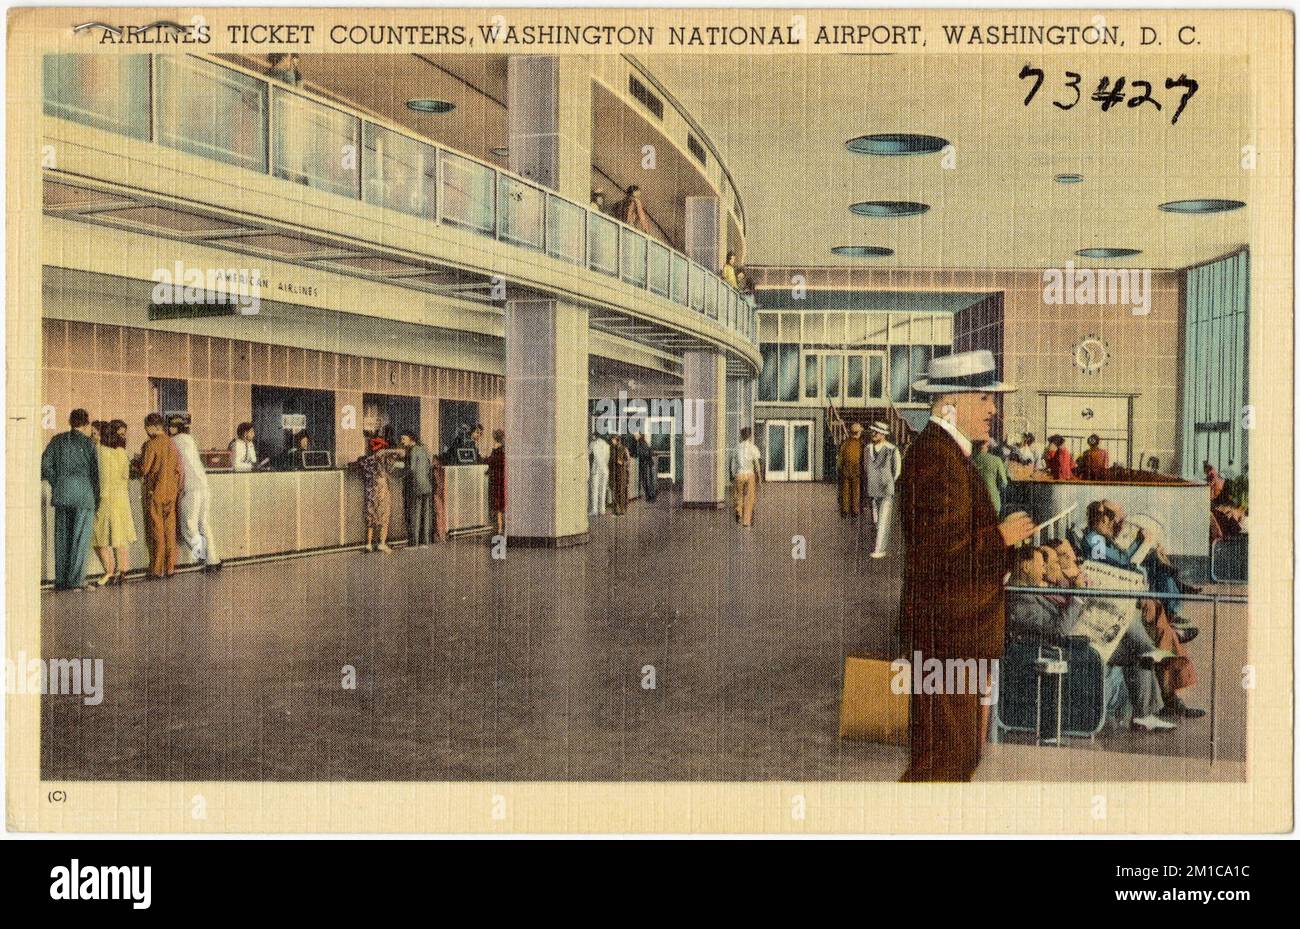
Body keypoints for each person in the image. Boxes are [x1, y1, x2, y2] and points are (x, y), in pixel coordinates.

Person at [897, 349, 1036, 782]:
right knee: (945, 761)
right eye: (984, 398)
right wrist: (1002, 538)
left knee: (952, 758)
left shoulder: (947, 457)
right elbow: (944, 562)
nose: (993, 409)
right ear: (950, 404)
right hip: (949, 638)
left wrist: (1002, 544)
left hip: (952, 637)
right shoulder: (939, 463)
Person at [1043, 539, 1175, 731]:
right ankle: (1156, 655)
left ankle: (1144, 715)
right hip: (1077, 642)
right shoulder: (1046, 590)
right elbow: (1062, 624)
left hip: (1090, 632)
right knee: (1135, 628)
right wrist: (1079, 592)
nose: (1070, 557)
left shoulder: (1063, 580)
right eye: (1061, 557)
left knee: (1138, 646)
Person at [42, 408, 100, 591]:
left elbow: (45, 466)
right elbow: (95, 475)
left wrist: (57, 481)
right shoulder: (89, 444)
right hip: (83, 494)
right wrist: (96, 499)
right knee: (80, 539)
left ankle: (61, 581)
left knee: (62, 538)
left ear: (70, 422)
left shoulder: (57, 440)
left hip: (62, 493)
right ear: (86, 424)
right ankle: (76, 581)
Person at [169, 416, 221, 571]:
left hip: (190, 488)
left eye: (171, 426)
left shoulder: (174, 441)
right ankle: (213, 559)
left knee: (189, 526)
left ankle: (204, 558)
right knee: (204, 523)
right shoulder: (190, 439)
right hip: (204, 486)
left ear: (175, 428)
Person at [138, 412, 184, 579]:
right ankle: (170, 567)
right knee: (170, 531)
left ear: (152, 427)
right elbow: (179, 470)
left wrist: (137, 463)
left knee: (157, 531)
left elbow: (144, 469)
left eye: (146, 427)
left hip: (156, 492)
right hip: (171, 492)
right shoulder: (172, 444)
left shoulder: (151, 444)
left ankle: (157, 570)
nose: (145, 430)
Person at [92, 419, 135, 587]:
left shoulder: (99, 451)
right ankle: (122, 571)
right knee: (120, 536)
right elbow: (126, 475)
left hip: (105, 498)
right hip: (121, 498)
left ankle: (109, 571)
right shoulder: (121, 452)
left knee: (99, 537)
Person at [863, 420, 903, 557]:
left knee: (883, 520)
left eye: (876, 432)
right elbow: (865, 467)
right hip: (872, 489)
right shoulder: (867, 448)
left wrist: (888, 481)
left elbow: (897, 470)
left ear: (883, 434)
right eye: (873, 431)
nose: (873, 433)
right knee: (875, 520)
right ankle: (878, 546)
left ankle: (879, 550)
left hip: (886, 489)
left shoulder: (892, 449)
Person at [358, 437, 400, 553]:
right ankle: (381, 543)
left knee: (371, 518)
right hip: (382, 491)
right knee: (384, 516)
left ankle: (368, 544)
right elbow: (401, 455)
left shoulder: (366, 461)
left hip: (370, 492)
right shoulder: (384, 461)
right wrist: (388, 452)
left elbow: (359, 465)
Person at [400, 431, 435, 547]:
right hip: (427, 485)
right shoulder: (423, 449)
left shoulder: (413, 450)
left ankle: (414, 543)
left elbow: (411, 468)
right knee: (426, 515)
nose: (402, 441)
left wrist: (400, 471)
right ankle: (425, 541)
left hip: (416, 486)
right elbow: (429, 466)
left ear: (411, 439)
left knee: (415, 514)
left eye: (403, 438)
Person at [730, 426, 763, 527]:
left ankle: (738, 512)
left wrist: (732, 474)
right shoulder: (753, 448)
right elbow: (757, 464)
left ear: (741, 436)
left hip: (739, 474)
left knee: (738, 495)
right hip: (750, 474)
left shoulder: (737, 447)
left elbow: (732, 463)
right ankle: (746, 521)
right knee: (749, 497)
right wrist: (760, 478)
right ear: (750, 436)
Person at [971, 438, 1009, 516]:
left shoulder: (970, 460)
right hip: (992, 500)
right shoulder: (996, 460)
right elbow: (1004, 482)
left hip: (974, 502)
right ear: (985, 445)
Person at [837, 423, 864, 518]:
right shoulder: (861, 444)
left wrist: (840, 468)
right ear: (858, 433)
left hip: (845, 470)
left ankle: (845, 510)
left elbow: (840, 457)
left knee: (845, 491)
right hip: (857, 471)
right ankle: (855, 510)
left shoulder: (845, 443)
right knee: (856, 491)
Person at [486, 429, 506, 536]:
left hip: (497, 480)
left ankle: (499, 528)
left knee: (498, 506)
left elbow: (489, 462)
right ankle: (505, 527)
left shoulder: (496, 452)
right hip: (505, 480)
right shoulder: (506, 451)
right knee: (504, 504)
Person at [633, 431, 658, 502]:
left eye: (636, 435)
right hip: (647, 464)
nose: (635, 436)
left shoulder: (641, 443)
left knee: (647, 481)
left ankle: (650, 497)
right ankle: (650, 497)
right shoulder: (643, 442)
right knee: (648, 481)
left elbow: (643, 453)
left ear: (639, 435)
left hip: (645, 464)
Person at [588, 433, 610, 516]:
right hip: (604, 470)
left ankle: (594, 510)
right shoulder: (607, 445)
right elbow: (607, 459)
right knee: (603, 490)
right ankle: (602, 509)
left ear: (595, 436)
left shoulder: (593, 444)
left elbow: (588, 453)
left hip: (596, 470)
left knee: (595, 490)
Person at [609, 435, 631, 515]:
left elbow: (628, 461)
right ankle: (616, 509)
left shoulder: (624, 449)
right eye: (612, 440)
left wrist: (622, 463)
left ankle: (623, 509)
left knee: (621, 491)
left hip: (622, 473)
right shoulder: (612, 449)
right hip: (614, 473)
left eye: (613, 439)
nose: (612, 441)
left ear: (617, 440)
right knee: (614, 491)